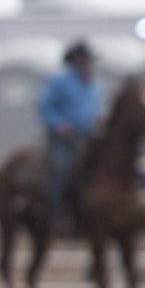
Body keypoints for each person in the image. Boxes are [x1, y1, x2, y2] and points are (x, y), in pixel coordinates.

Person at [37, 40, 104, 230]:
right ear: (74, 60)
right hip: (65, 138)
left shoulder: (94, 83)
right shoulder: (59, 80)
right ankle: (56, 212)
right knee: (61, 169)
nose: (88, 63)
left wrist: (101, 119)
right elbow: (44, 108)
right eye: (85, 59)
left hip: (90, 136)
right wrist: (60, 125)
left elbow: (97, 109)